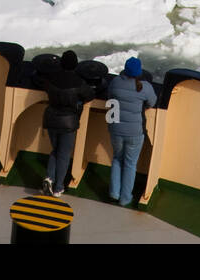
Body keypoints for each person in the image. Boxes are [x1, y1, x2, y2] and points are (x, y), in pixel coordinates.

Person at [38, 50, 95, 196]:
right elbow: (89, 95)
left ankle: (49, 177)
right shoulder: (78, 81)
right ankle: (58, 188)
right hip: (68, 122)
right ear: (75, 65)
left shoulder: (52, 78)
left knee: (55, 150)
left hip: (51, 119)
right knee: (63, 154)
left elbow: (44, 86)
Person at [105, 57, 157, 207]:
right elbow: (151, 102)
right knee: (130, 164)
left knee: (116, 159)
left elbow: (110, 98)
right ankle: (125, 198)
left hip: (115, 128)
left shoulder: (115, 82)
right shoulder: (145, 87)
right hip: (135, 131)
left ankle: (114, 193)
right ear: (139, 72)